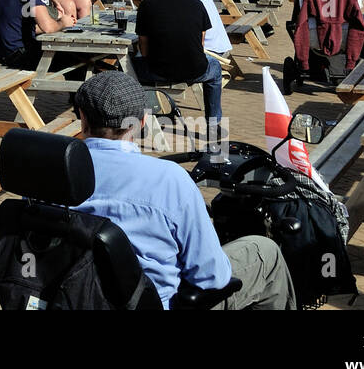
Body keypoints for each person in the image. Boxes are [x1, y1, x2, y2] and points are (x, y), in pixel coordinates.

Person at [72, 72, 297, 309]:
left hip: (73, 296)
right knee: (265, 253)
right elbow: (211, 277)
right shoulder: (168, 179)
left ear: (83, 118)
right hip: (157, 303)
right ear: (142, 122)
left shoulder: (52, 172)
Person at [131, 0, 224, 132]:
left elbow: (144, 49)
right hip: (195, 68)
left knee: (129, 66)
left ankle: (142, 120)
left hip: (157, 70)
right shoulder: (196, 4)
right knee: (215, 70)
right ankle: (214, 123)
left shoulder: (148, 6)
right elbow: (200, 43)